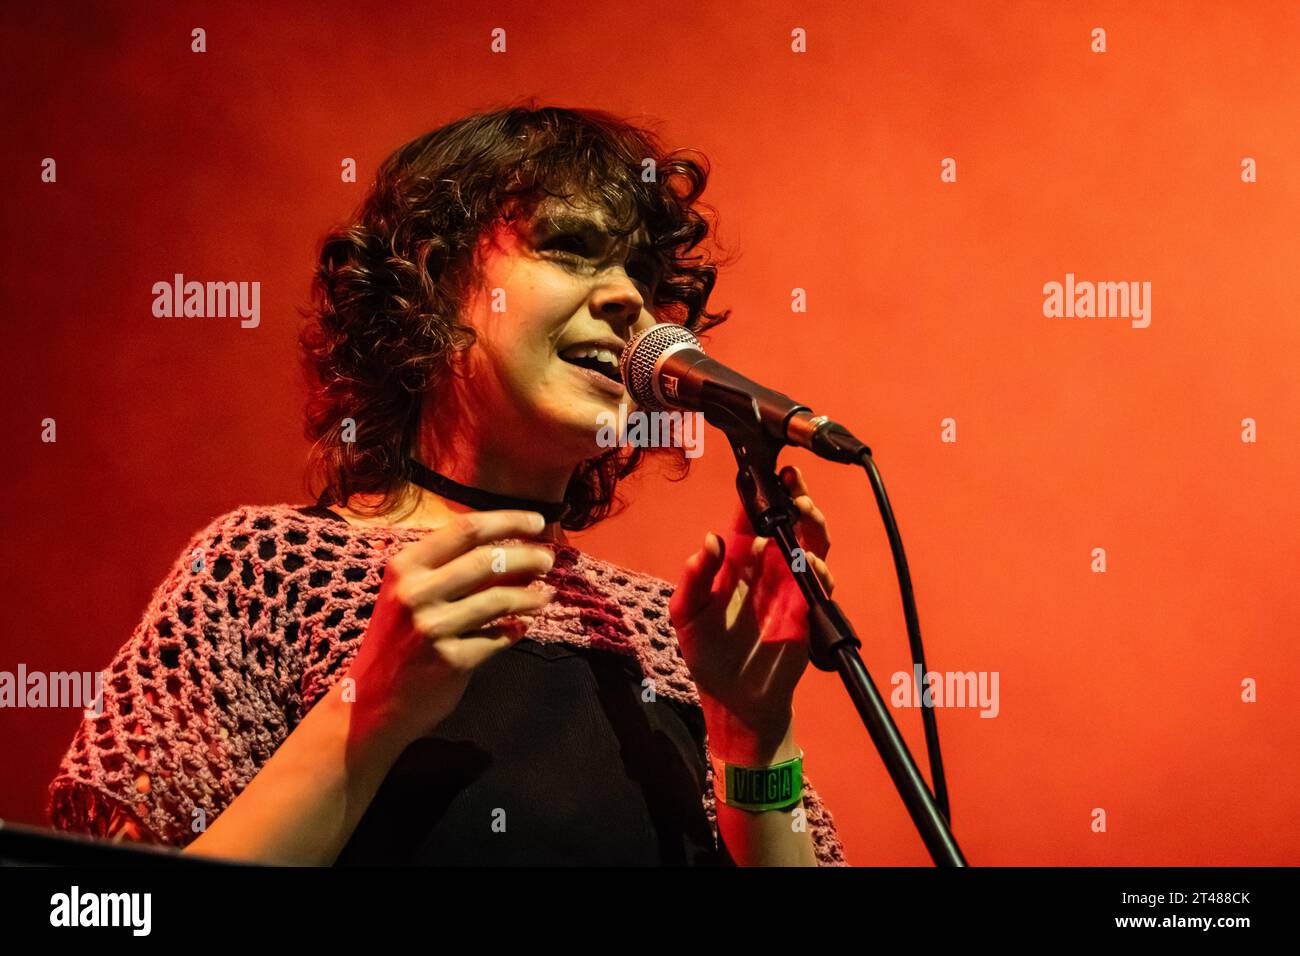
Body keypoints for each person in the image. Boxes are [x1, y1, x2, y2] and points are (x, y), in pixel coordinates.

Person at [47, 103, 848, 866]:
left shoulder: (667, 639)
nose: (627, 298)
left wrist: (754, 739)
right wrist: (368, 711)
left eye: (640, 273)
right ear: (433, 285)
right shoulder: (269, 573)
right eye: (570, 247)